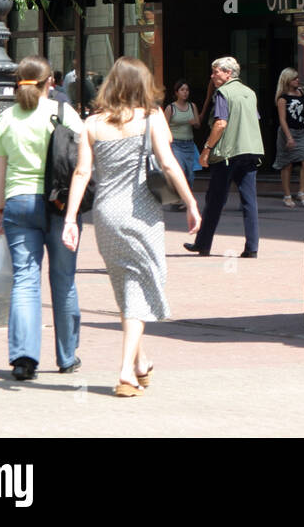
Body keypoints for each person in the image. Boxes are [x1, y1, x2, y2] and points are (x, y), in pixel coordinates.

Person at [61, 57, 200, 398]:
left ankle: (141, 362)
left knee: (125, 286)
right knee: (142, 283)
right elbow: (167, 163)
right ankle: (125, 371)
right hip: (141, 213)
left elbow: (81, 174)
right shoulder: (151, 118)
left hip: (106, 215)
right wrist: (191, 202)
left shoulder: (91, 124)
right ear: (142, 85)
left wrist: (70, 218)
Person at [0, 56, 85, 381]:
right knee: (63, 280)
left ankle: (23, 359)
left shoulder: (6, 118)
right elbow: (83, 162)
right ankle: (67, 356)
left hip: (18, 204)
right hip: (59, 204)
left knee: (25, 280)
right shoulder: (64, 113)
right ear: (51, 83)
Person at [184, 56, 264, 258]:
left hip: (228, 154)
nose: (212, 76)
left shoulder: (223, 93)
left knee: (215, 200)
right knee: (249, 201)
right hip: (250, 151)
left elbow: (220, 123)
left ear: (228, 73)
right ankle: (252, 248)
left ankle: (203, 244)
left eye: (216, 71)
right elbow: (253, 119)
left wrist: (206, 150)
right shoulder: (249, 93)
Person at [272, 67, 304, 208]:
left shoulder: (301, 93)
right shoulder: (283, 98)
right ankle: (287, 195)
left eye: (297, 78)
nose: (297, 80)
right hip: (288, 132)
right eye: (294, 78)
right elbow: (282, 119)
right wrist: (289, 137)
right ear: (287, 80)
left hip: (301, 131)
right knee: (287, 164)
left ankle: (301, 192)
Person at [164, 79, 201, 193]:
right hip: (176, 144)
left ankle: (184, 198)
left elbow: (198, 125)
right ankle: (178, 198)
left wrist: (195, 123)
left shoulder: (192, 106)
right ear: (176, 92)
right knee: (180, 170)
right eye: (182, 90)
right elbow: (163, 127)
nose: (185, 92)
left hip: (189, 144)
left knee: (190, 174)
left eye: (187, 90)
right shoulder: (171, 108)